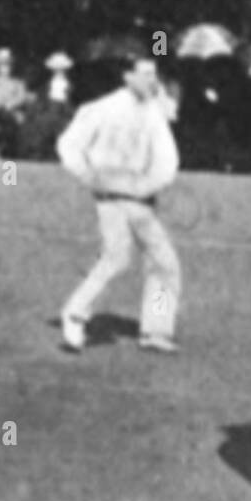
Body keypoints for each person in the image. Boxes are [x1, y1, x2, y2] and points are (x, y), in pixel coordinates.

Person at [56, 53, 182, 355]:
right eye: (145, 74)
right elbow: (69, 146)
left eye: (154, 74)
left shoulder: (153, 110)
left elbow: (167, 158)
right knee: (116, 258)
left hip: (141, 202)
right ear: (127, 77)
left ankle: (156, 330)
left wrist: (149, 185)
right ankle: (74, 314)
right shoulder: (105, 107)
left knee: (165, 264)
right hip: (112, 199)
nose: (152, 80)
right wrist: (93, 178)